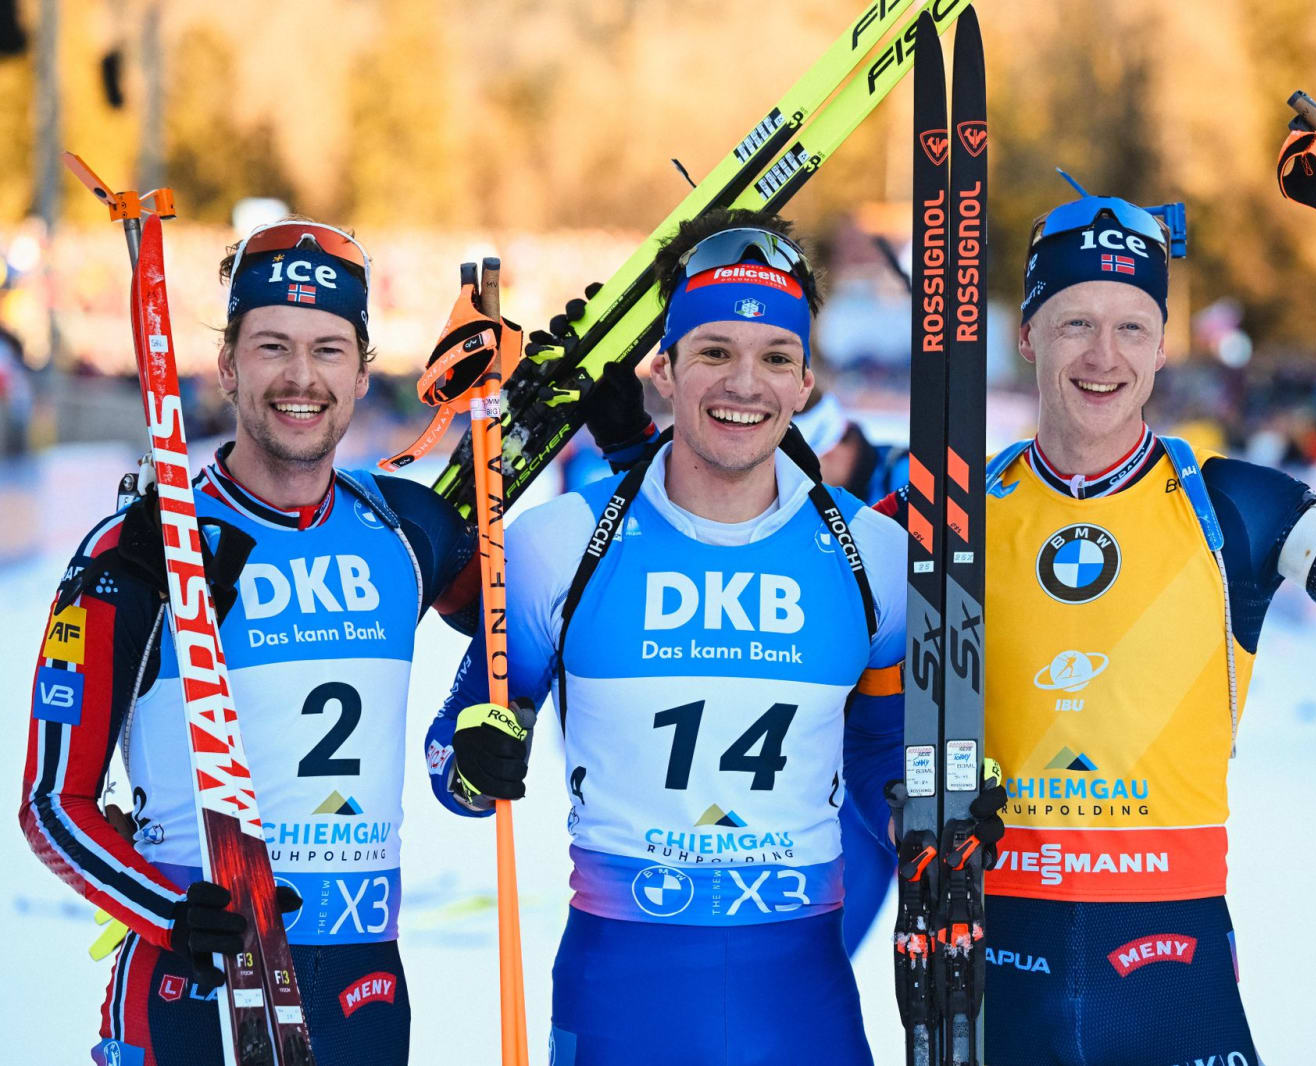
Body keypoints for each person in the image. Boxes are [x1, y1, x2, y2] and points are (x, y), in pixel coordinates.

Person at [880, 186, 1316, 1064]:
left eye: (1131, 327)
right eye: (1074, 324)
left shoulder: (1234, 509)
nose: (1103, 355)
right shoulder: (949, 514)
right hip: (995, 968)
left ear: (1163, 344)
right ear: (1027, 335)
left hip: (1173, 975)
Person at [427, 210, 914, 1066]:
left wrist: (926, 819)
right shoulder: (557, 546)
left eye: (776, 358)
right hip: (622, 999)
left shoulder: (872, 555)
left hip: (799, 1008)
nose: (745, 385)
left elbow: (878, 753)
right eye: (715, 352)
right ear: (666, 367)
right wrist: (475, 761)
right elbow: (454, 765)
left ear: (807, 382)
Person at [19, 219, 479, 1065]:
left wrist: (469, 726)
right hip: (193, 994)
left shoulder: (408, 529)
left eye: (328, 349)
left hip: (365, 994)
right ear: (228, 365)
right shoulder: (139, 552)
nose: (301, 377)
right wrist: (168, 914)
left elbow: (521, 627)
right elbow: (53, 805)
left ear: (363, 370)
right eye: (272, 347)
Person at [790, 388, 908, 956]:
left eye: (808, 463)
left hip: (915, 719)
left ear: (836, 443)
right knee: (829, 941)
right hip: (853, 737)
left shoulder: (906, 478)